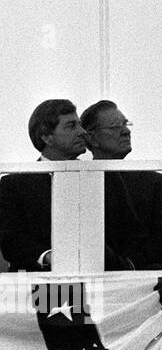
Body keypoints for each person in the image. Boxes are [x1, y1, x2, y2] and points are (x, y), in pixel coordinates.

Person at [0, 99, 136, 272]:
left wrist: (127, 266)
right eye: (72, 126)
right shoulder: (15, 185)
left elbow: (132, 232)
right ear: (47, 137)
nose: (82, 132)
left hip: (106, 282)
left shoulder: (105, 176)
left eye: (80, 125)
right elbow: (11, 240)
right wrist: (50, 257)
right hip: (41, 285)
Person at [80, 100, 162, 269]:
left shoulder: (151, 181)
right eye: (115, 126)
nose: (126, 131)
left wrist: (132, 265)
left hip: (142, 275)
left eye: (125, 124)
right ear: (92, 138)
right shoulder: (78, 181)